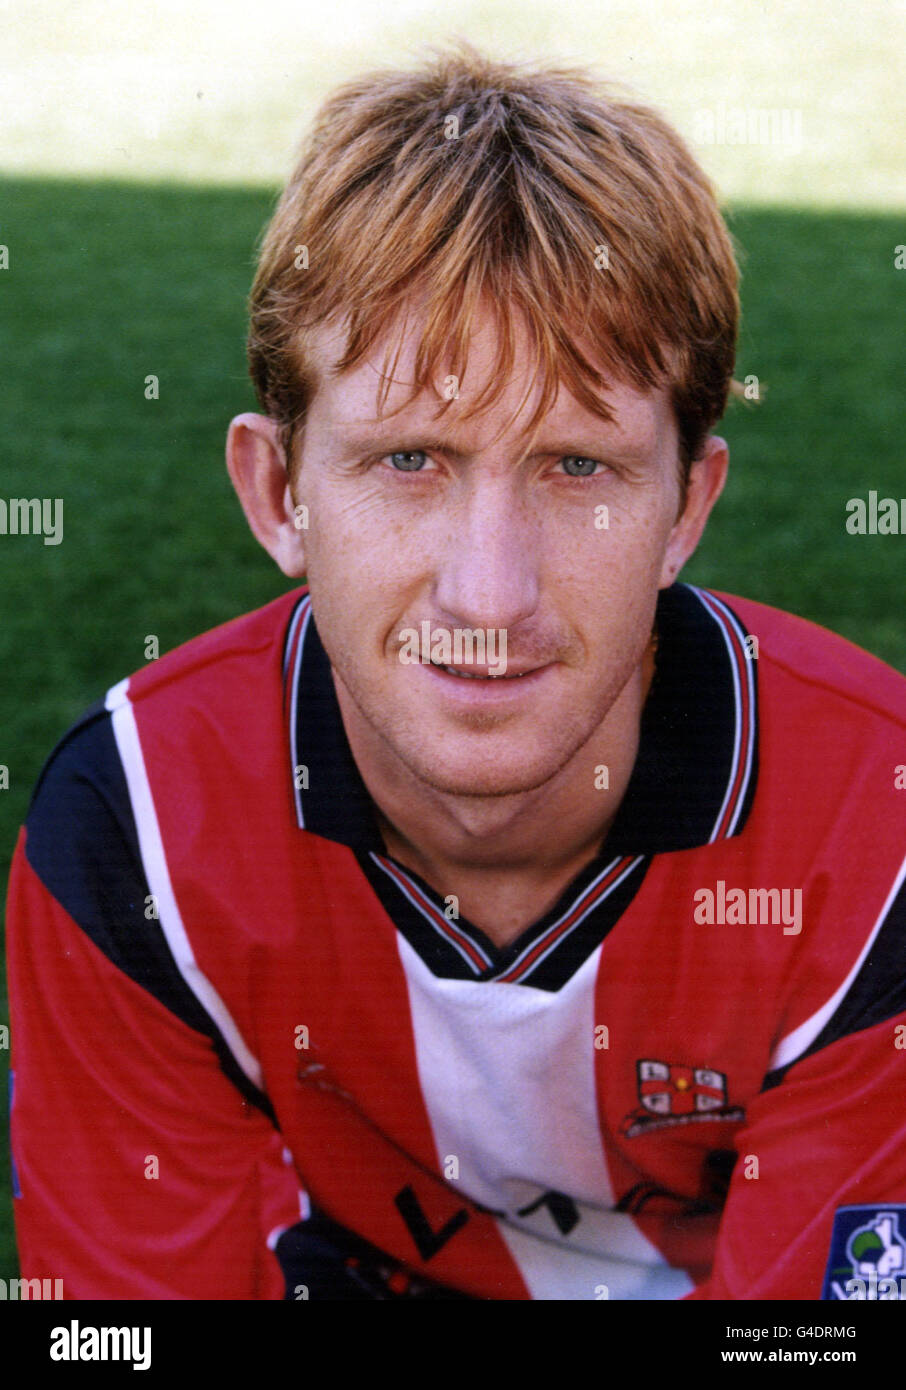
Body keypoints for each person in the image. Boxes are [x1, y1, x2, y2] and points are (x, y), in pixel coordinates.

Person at [7, 46, 906, 1302]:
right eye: (409, 460)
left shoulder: (877, 829)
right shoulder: (136, 831)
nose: (491, 593)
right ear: (278, 493)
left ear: (687, 508)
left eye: (578, 467)